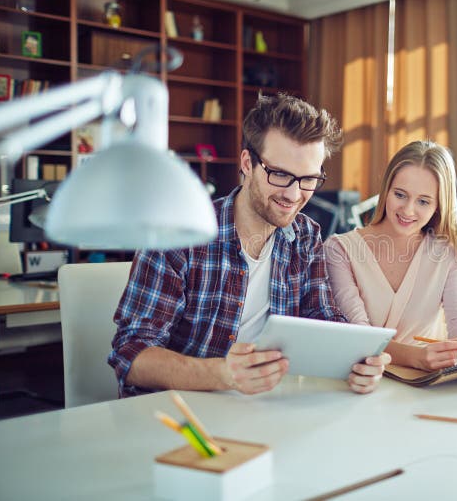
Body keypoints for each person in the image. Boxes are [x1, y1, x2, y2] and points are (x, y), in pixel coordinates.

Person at [109, 93, 391, 397]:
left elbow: (322, 317)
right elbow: (131, 354)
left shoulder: (306, 237)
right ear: (247, 163)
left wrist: (358, 360)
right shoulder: (177, 235)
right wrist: (223, 374)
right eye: (280, 174)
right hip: (179, 414)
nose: (294, 195)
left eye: (308, 179)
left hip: (266, 410)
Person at [325, 141, 457, 383]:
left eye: (424, 201)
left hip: (424, 390)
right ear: (386, 190)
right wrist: (417, 357)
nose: (408, 210)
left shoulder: (448, 253)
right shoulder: (339, 249)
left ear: (439, 205)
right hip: (363, 383)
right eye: (400, 195)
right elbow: (361, 337)